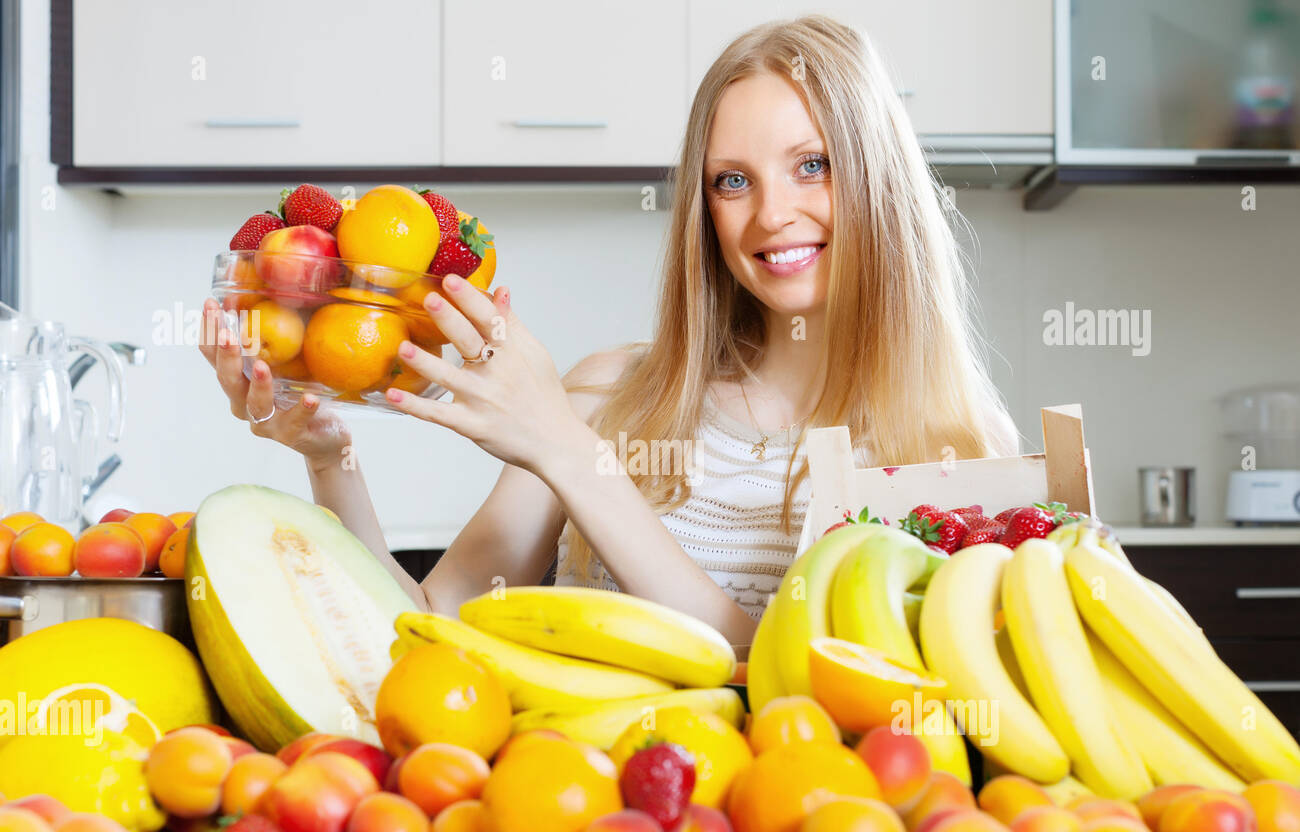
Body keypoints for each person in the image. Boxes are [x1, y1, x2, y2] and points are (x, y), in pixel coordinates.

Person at [198, 15, 1018, 657]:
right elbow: (415, 625)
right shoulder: (610, 393)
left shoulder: (954, 447)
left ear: (880, 178)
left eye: (813, 165)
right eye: (733, 180)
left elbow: (779, 675)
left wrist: (569, 453)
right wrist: (329, 456)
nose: (772, 213)